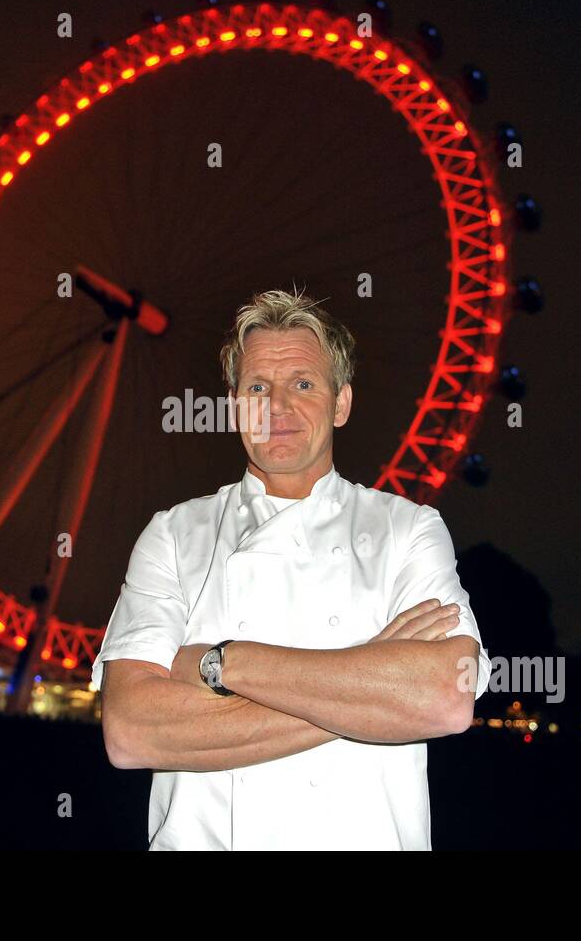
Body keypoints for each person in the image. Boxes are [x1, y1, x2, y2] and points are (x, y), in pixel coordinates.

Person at [92, 287, 491, 849]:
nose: (277, 407)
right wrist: (372, 688)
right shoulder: (172, 536)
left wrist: (221, 663)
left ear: (341, 403)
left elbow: (448, 695)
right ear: (234, 405)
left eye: (303, 384)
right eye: (257, 387)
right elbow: (130, 733)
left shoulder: (409, 530)